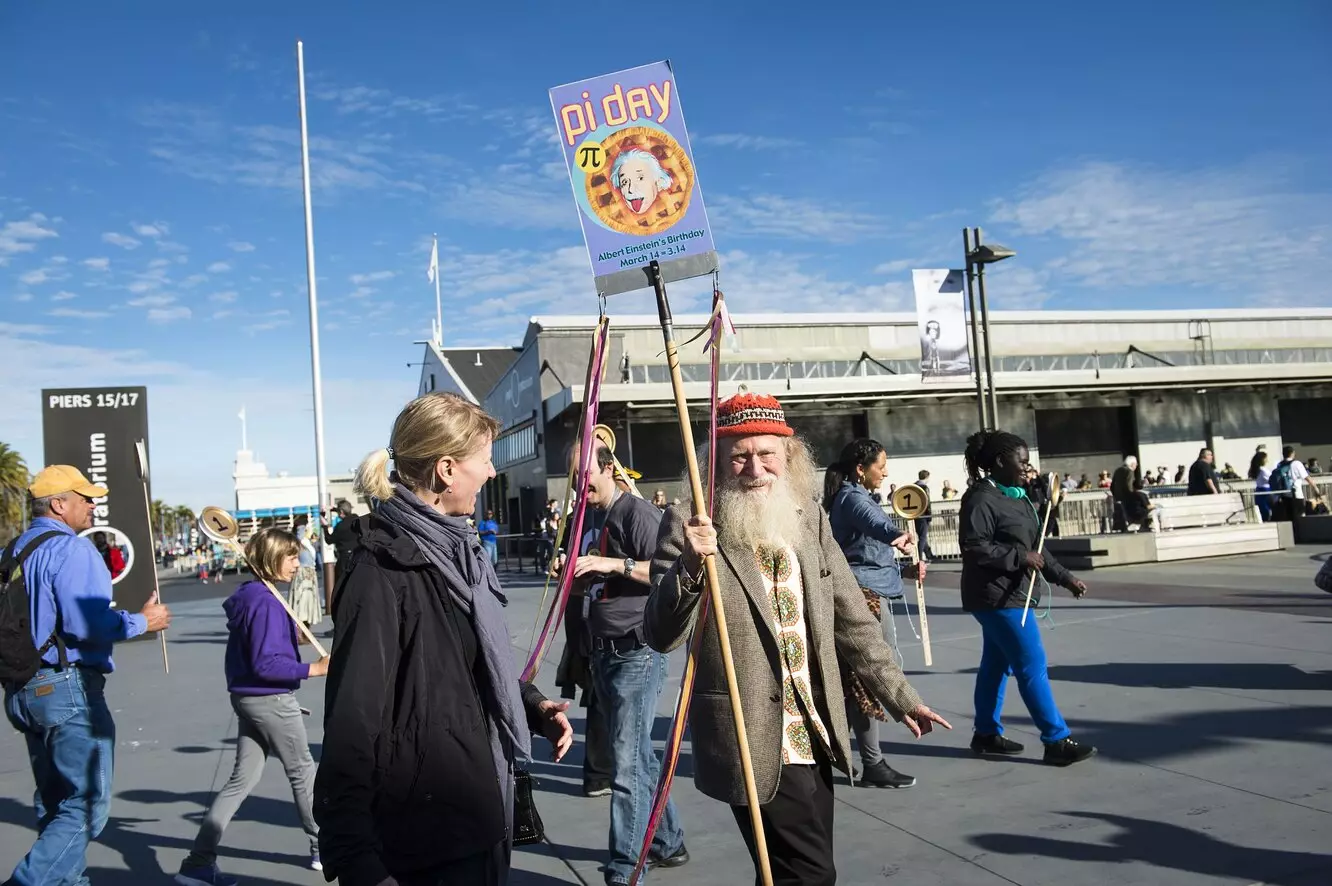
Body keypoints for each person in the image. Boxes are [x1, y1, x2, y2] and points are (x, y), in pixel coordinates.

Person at [645, 392, 950, 886]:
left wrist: (901, 696)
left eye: (766, 453)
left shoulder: (809, 516)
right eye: (739, 455)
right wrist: (690, 565)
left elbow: (852, 619)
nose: (754, 467)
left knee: (797, 871)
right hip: (751, 732)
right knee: (811, 874)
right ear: (718, 462)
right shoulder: (691, 522)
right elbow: (659, 632)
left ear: (789, 457)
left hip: (816, 728)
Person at [314, 392, 573, 886]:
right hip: (428, 836)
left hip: (482, 809)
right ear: (448, 470)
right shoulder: (381, 571)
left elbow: (467, 665)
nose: (492, 473)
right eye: (485, 460)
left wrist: (533, 705)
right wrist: (355, 862)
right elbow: (351, 723)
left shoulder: (461, 552)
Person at [3, 465, 172, 886]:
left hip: (24, 688)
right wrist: (142, 622)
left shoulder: (13, 551)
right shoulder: (73, 550)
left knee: (55, 803)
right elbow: (87, 624)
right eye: (85, 497)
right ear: (59, 504)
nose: (93, 505)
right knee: (85, 806)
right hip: (67, 688)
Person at [553, 440, 688, 884]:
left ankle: (626, 868)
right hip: (604, 653)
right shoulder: (590, 516)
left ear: (608, 468)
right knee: (636, 759)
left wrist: (610, 563)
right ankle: (667, 841)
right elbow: (594, 580)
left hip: (637, 652)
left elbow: (669, 571)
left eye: (584, 474)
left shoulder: (637, 513)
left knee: (626, 763)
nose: (579, 484)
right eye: (573, 478)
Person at [176, 528, 330, 886]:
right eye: (290, 556)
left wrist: (290, 637)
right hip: (269, 699)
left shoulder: (253, 596)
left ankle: (197, 863)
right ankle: (324, 846)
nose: (297, 563)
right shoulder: (265, 601)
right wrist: (314, 669)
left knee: (241, 779)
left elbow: (262, 651)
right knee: (303, 773)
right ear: (271, 558)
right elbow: (266, 664)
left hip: (249, 697)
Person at [959, 431, 1095, 768]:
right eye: (1021, 460)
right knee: (1032, 665)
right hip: (996, 597)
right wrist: (1019, 557)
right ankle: (1056, 739)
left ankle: (986, 733)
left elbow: (1038, 548)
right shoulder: (980, 499)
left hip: (1014, 593)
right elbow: (974, 547)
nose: (1027, 466)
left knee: (996, 665)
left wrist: (1065, 577)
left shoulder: (1017, 497)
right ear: (1001, 461)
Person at [823, 439, 926, 790]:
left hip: (868, 590)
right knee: (871, 677)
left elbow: (868, 550)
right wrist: (897, 533)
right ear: (860, 468)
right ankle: (870, 761)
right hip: (862, 597)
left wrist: (906, 571)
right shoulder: (853, 498)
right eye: (881, 466)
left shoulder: (858, 497)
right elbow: (874, 527)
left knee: (857, 682)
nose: (885, 472)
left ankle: (849, 756)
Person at [286, 514, 323, 636]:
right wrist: (302, 523)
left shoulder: (306, 541)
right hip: (302, 574)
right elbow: (299, 534)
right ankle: (299, 634)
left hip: (310, 574)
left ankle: (307, 633)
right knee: (301, 603)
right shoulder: (299, 541)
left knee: (309, 604)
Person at [319, 499, 357, 603]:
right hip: (359, 557)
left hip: (344, 559)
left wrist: (325, 526)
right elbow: (345, 511)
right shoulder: (357, 520)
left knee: (342, 585)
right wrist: (335, 509)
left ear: (341, 512)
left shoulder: (341, 526)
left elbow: (329, 540)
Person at [1269, 445, 1315, 520]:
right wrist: (1315, 488)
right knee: (1299, 517)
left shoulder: (1280, 464)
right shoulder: (1296, 463)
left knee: (1288, 517)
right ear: (1293, 453)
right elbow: (1307, 477)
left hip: (1284, 495)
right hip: (1296, 494)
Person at [1110, 456, 1138, 533]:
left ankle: (1122, 528)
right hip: (1127, 497)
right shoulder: (1129, 471)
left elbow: (1112, 486)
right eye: (1136, 464)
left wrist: (1115, 495)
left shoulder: (1118, 470)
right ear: (1132, 464)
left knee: (1121, 514)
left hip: (1118, 497)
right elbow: (1129, 486)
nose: (1136, 465)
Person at [913, 469, 935, 561]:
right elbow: (927, 503)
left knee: (922, 535)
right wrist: (929, 515)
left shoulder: (913, 486)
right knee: (922, 536)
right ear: (927, 477)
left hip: (915, 514)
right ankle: (920, 556)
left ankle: (929, 553)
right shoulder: (924, 488)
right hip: (923, 515)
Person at [1249, 449, 1273, 522]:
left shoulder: (1258, 469)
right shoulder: (1263, 470)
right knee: (1267, 510)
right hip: (1266, 491)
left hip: (1259, 490)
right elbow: (1270, 479)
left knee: (1263, 510)